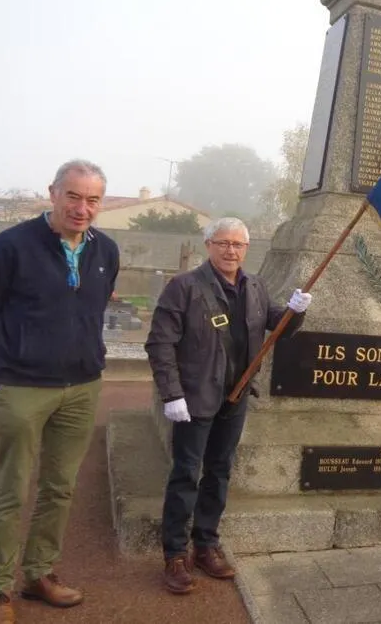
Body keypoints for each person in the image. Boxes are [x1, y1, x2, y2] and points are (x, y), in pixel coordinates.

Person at [0, 160, 119, 624]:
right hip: (24, 387)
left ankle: (38, 573)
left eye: (92, 199)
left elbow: (92, 312)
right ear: (52, 193)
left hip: (82, 388)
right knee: (10, 490)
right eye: (73, 196)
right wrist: (7, 369)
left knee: (60, 488)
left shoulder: (106, 250)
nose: (82, 208)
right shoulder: (9, 247)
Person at [145, 217, 312, 594]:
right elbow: (160, 344)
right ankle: (174, 553)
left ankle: (206, 544)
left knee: (219, 472)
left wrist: (295, 311)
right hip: (194, 398)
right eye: (223, 243)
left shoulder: (254, 286)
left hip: (235, 397)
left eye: (238, 244)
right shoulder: (184, 287)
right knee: (186, 473)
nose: (230, 250)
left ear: (247, 249)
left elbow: (276, 325)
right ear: (208, 245)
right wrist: (172, 395)